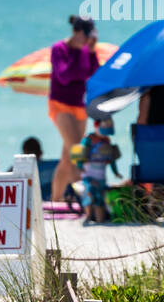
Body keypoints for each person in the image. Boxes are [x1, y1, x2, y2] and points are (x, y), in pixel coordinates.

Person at [49, 16, 100, 202]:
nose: (87, 41)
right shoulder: (59, 49)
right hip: (60, 104)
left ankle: (56, 199)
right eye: (85, 37)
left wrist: (92, 52)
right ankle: (82, 194)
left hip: (79, 105)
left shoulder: (87, 50)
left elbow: (94, 74)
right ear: (77, 32)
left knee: (67, 157)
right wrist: (77, 53)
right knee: (76, 150)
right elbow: (64, 76)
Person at [71, 117, 122, 224]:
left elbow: (111, 159)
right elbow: (80, 154)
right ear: (96, 126)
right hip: (88, 174)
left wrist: (116, 172)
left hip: (101, 176)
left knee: (100, 197)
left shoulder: (107, 142)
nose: (105, 135)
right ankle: (88, 215)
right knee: (89, 193)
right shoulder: (88, 140)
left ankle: (100, 219)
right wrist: (80, 166)